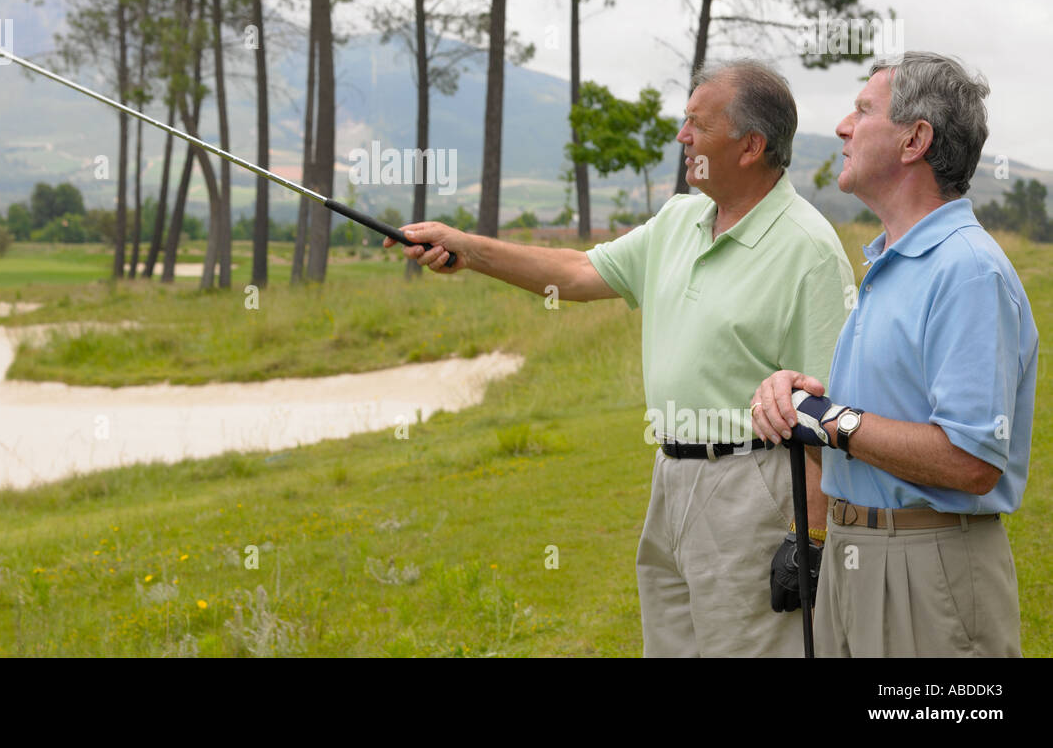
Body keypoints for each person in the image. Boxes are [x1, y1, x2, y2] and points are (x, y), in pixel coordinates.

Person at [391, 60, 854, 657]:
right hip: (670, 478)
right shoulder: (681, 218)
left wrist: (810, 535)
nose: (682, 137)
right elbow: (581, 271)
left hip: (754, 488)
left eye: (696, 124)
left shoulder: (809, 250)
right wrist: (468, 250)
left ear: (751, 145)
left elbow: (825, 412)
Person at [751, 52, 1038, 657]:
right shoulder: (890, 264)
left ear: (915, 139)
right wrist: (804, 403)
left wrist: (832, 421)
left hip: (929, 567)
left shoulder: (967, 271)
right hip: (857, 560)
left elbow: (971, 459)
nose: (842, 128)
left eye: (862, 110)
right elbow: (874, 423)